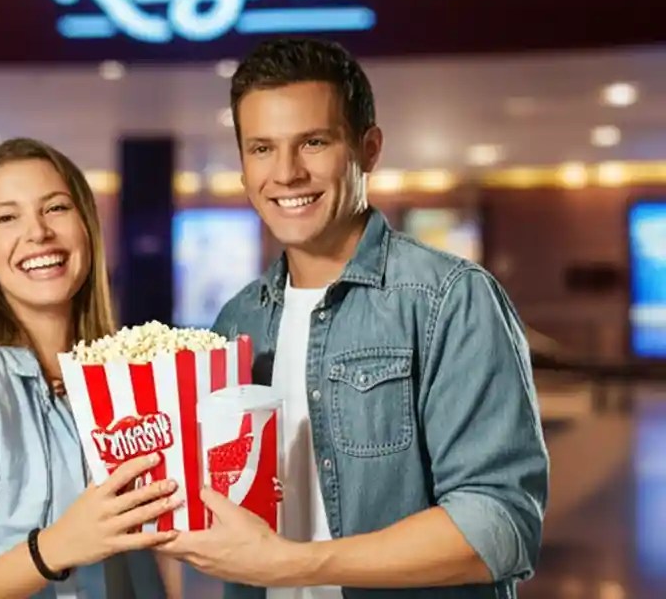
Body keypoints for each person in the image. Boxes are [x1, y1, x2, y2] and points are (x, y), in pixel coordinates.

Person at [157, 38, 549, 599]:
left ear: (367, 150)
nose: (286, 173)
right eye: (262, 148)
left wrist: (292, 564)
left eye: (313, 142)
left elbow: (498, 526)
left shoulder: (448, 299)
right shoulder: (236, 320)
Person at [0, 138, 181, 599]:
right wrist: (56, 548)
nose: (38, 233)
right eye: (7, 217)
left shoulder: (118, 379)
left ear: (87, 230)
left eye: (56, 208)